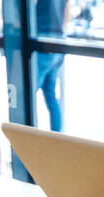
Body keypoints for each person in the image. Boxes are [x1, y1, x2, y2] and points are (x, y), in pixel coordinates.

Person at [35, 0, 69, 132]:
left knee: (28, 93)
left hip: (41, 41)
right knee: (50, 94)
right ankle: (57, 137)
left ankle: (27, 139)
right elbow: (67, 16)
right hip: (58, 43)